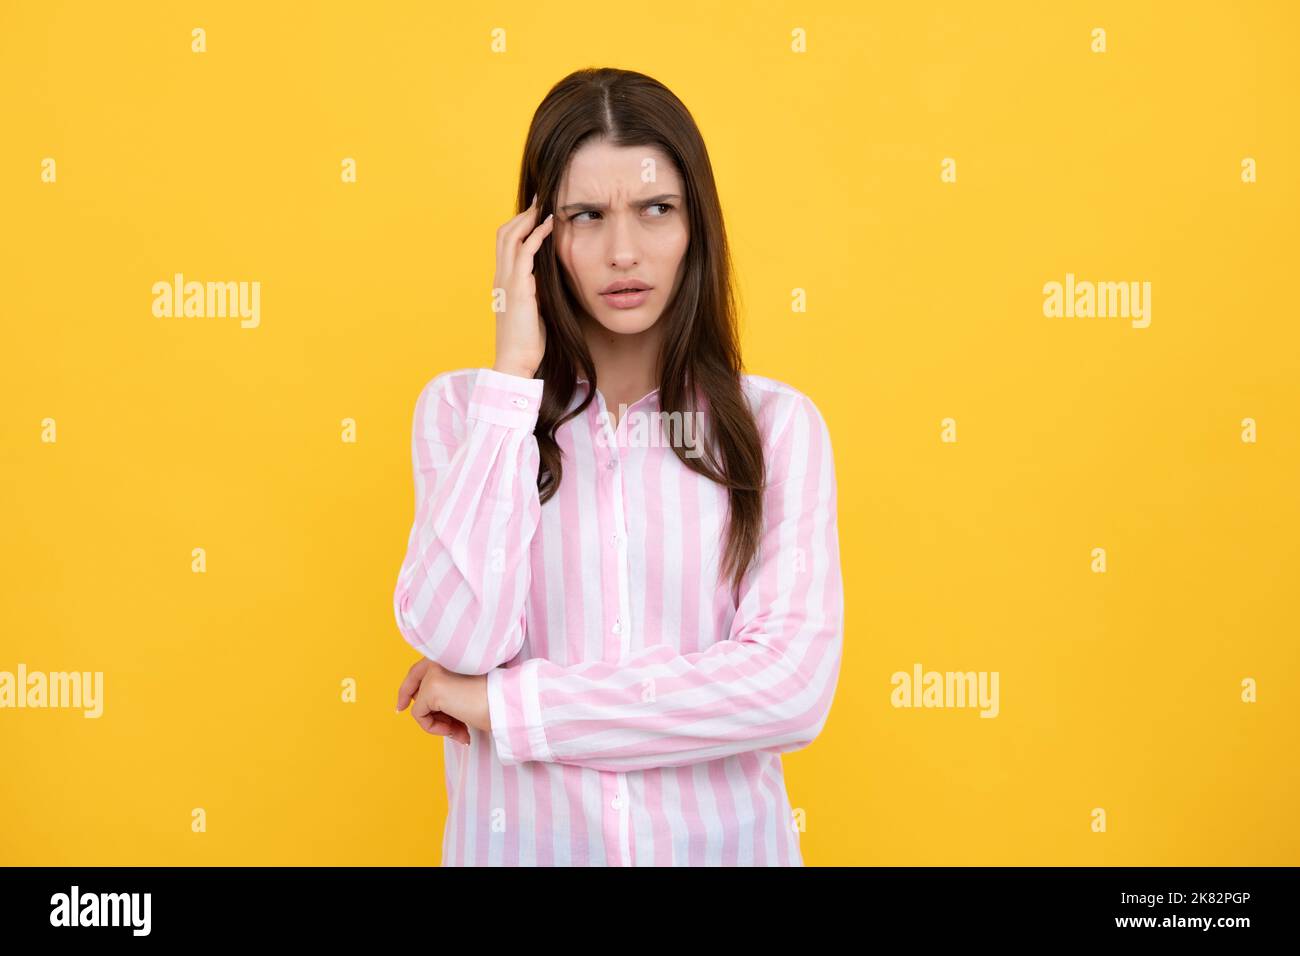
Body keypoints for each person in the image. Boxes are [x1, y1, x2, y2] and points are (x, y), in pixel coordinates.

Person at [392, 67, 843, 866]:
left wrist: (507, 705)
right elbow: (459, 636)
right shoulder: (465, 414)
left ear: (696, 225)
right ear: (535, 236)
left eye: (656, 210)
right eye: (587, 216)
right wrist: (512, 379)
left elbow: (787, 692)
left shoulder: (777, 429)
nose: (623, 251)